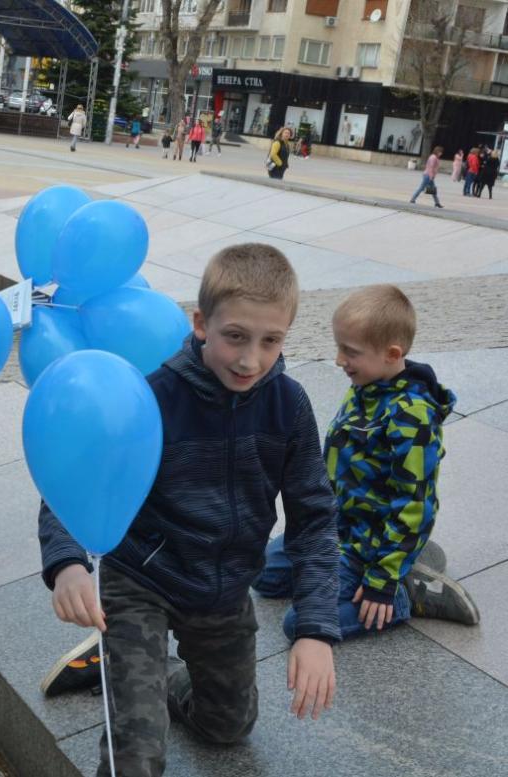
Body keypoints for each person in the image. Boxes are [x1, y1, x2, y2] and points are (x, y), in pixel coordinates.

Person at [39, 244, 339, 776]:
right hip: (139, 582)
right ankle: (130, 670)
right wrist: (67, 562)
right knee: (137, 757)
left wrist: (314, 629)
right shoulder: (150, 396)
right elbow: (73, 476)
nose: (250, 359)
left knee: (228, 726)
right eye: (235, 337)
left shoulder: (288, 405)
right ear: (201, 323)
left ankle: (147, 675)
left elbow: (314, 521)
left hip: (221, 590)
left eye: (271, 341)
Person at [254, 285, 479, 639]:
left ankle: (407, 595)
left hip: (369, 544)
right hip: (336, 527)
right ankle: (408, 565)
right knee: (264, 574)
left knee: (299, 624)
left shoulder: (413, 418)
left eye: (350, 351)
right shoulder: (369, 384)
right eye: (339, 347)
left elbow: (416, 506)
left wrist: (381, 581)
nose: (340, 359)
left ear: (391, 353)